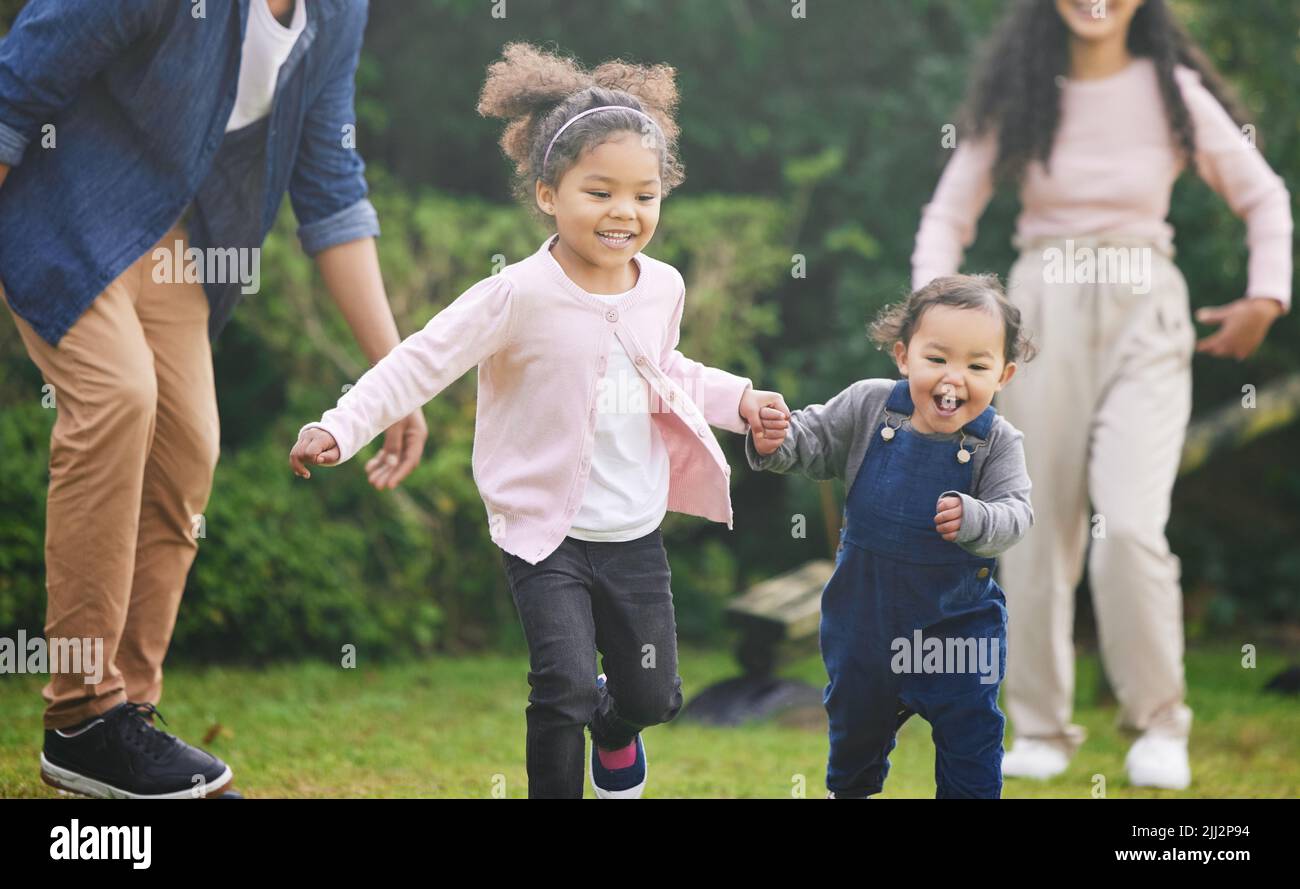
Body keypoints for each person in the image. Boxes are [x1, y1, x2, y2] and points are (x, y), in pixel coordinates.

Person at [289, 43, 790, 799]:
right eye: (600, 191)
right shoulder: (516, 293)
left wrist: (740, 399)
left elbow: (667, 369)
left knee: (653, 696)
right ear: (549, 193)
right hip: (542, 530)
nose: (625, 212)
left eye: (645, 196)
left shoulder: (663, 287)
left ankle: (616, 732)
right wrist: (342, 423)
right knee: (561, 687)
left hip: (632, 531)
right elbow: (423, 359)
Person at [0, 0, 426, 798]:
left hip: (173, 245)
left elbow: (331, 186)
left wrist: (393, 376)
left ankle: (124, 720)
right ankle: (82, 714)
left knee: (186, 445)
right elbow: (14, 88)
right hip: (59, 205)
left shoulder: (335, 15)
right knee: (120, 396)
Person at [911, 0, 1292, 788]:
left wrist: (1267, 296)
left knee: (1131, 523)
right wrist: (937, 329)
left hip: (1144, 308)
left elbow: (1263, 197)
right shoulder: (1021, 91)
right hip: (1037, 311)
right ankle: (1042, 728)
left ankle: (1158, 724)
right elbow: (948, 214)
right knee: (1034, 521)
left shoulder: (1173, 89)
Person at [747, 274, 1035, 798]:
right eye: (937, 359)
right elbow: (811, 440)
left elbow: (1017, 514)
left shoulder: (997, 442)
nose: (953, 379)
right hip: (865, 624)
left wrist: (976, 519)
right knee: (856, 730)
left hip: (957, 628)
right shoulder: (869, 406)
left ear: (1004, 374)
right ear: (904, 356)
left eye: (977, 365)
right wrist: (777, 438)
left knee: (971, 731)